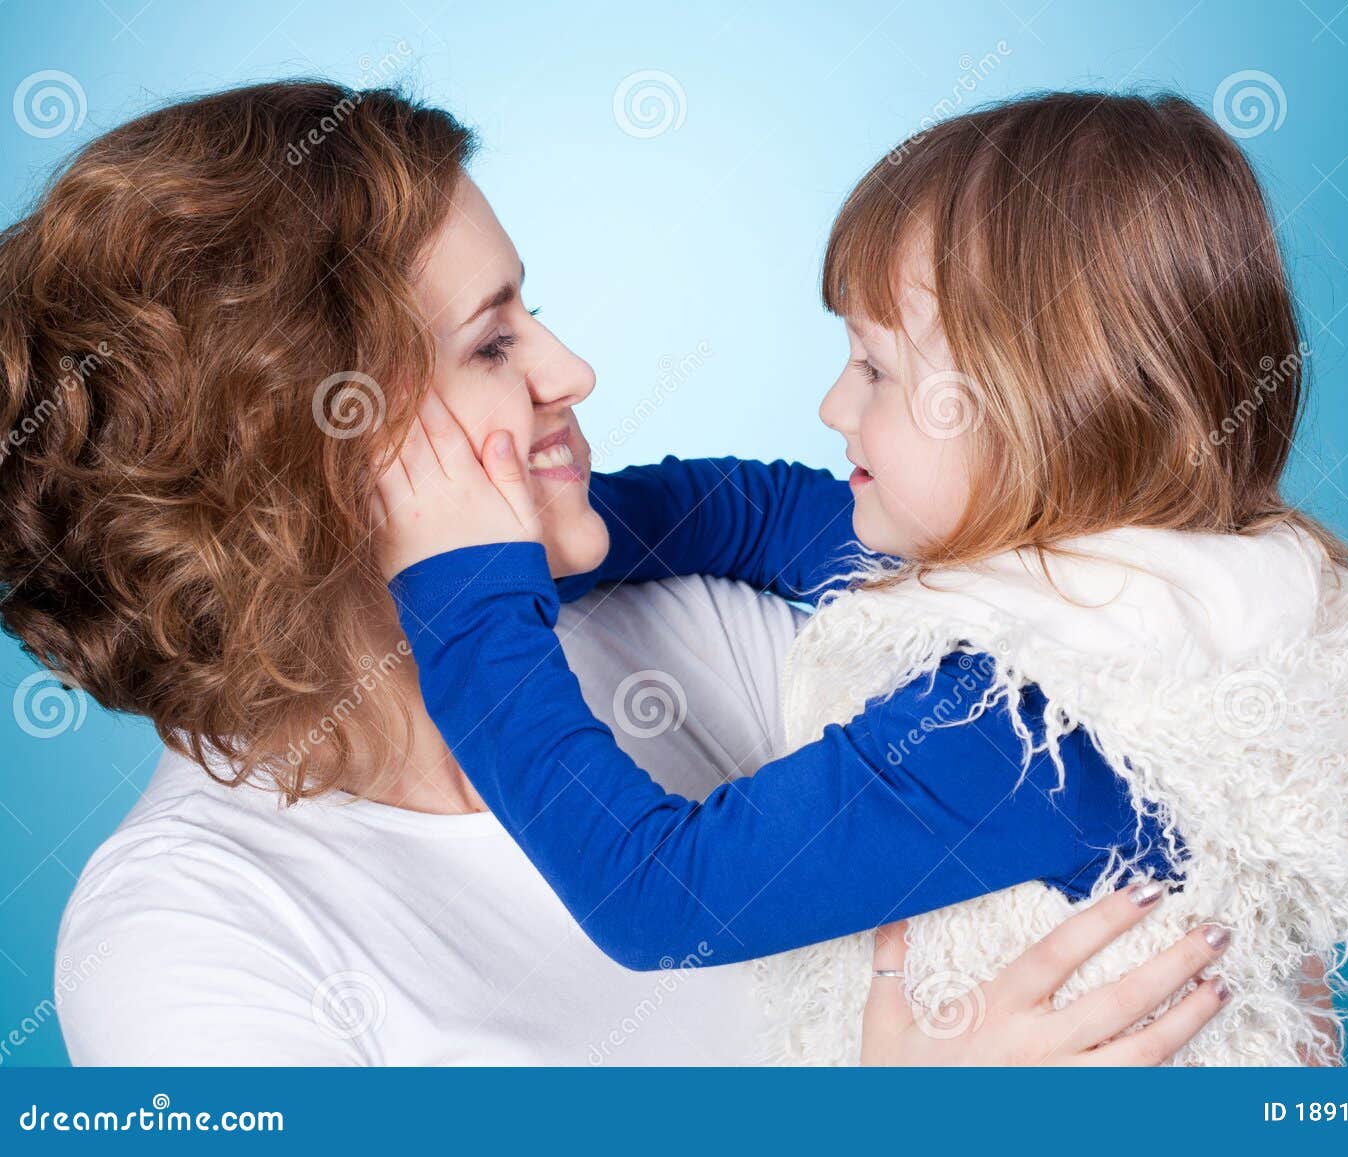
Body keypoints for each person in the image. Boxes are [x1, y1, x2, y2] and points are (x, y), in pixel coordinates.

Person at [0, 81, 1231, 1065]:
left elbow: (1251, 953)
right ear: (301, 452)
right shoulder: (189, 935)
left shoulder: (705, 625)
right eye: (493, 341)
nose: (572, 369)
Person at [373, 92, 1348, 1066]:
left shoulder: (1028, 725)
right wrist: (545, 529)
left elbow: (665, 895)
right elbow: (754, 512)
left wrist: (468, 594)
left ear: (1046, 412)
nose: (836, 407)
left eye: (877, 369)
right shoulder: (1117, 575)